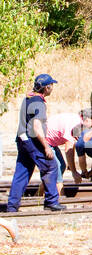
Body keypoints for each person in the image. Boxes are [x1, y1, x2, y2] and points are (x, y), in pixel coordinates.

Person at [5, 74, 64, 212]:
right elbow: (37, 127)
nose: (52, 88)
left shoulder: (28, 98)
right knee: (51, 166)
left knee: (22, 172)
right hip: (32, 141)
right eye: (52, 85)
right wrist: (46, 147)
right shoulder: (39, 103)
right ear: (47, 87)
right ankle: (51, 202)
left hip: (22, 139)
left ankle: (12, 207)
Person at [43, 110, 86, 196]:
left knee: (62, 166)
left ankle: (40, 194)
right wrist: (74, 172)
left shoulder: (77, 120)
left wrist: (72, 166)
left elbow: (72, 145)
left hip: (51, 141)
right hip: (45, 141)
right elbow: (68, 149)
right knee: (57, 167)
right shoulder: (75, 124)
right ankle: (60, 198)